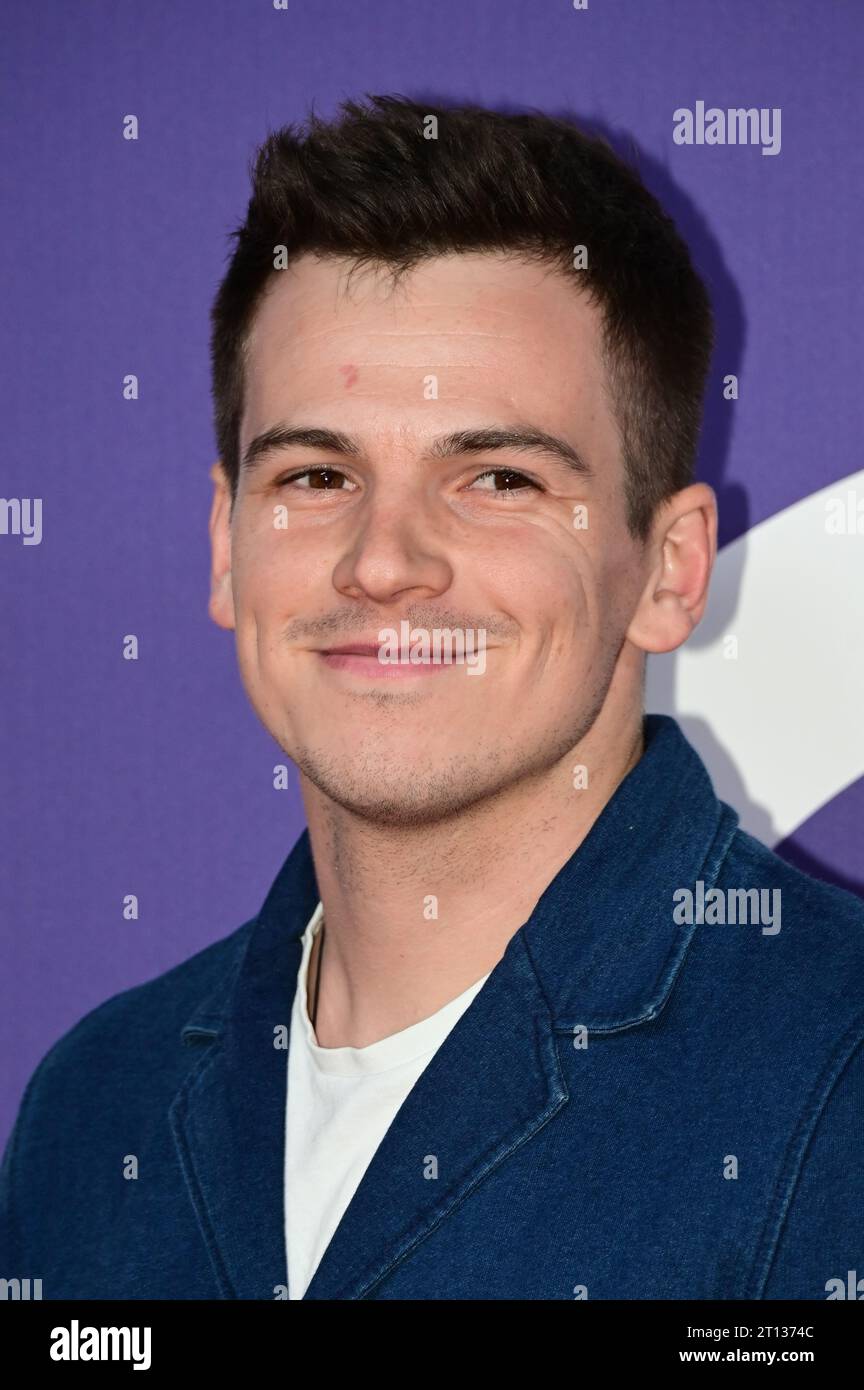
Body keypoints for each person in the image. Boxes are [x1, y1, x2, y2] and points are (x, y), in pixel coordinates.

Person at [2, 94, 862, 1302]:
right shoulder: (92, 1107)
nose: (384, 559)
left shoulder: (843, 1080)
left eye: (497, 476)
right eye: (315, 473)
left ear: (668, 571)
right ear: (225, 546)